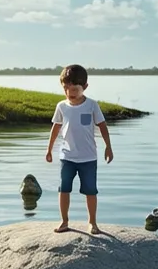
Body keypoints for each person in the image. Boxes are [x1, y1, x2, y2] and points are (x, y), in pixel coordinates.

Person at [46, 64, 113, 235]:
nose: (70, 92)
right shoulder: (62, 106)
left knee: (90, 190)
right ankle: (64, 221)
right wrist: (49, 149)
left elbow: (102, 126)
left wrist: (108, 147)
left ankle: (92, 222)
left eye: (74, 89)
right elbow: (56, 128)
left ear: (85, 87)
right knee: (64, 188)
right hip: (67, 156)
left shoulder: (91, 105)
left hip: (88, 157)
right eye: (66, 88)